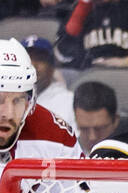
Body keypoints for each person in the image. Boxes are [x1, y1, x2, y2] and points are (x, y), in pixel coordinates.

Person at [0, 38, 83, 168]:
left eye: (18, 100)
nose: (8, 114)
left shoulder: (56, 136)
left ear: (29, 102)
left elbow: (82, 188)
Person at [21, 36, 75, 128]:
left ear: (52, 67)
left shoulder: (69, 101)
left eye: (40, 59)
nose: (33, 66)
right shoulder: (5, 99)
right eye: (27, 60)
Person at [72, 79, 119, 152]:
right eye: (84, 129)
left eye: (100, 128)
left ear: (115, 121)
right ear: (76, 121)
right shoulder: (67, 152)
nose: (92, 137)